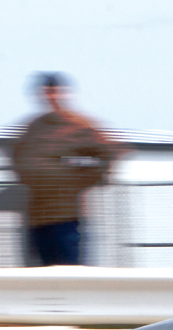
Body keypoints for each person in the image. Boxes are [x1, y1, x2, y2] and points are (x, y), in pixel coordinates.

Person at [10, 72, 122, 266]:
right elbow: (17, 159)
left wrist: (82, 178)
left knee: (72, 274)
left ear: (65, 93)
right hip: (36, 218)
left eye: (55, 91)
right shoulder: (32, 128)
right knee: (42, 276)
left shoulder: (78, 125)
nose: (51, 96)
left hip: (67, 218)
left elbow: (109, 153)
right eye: (46, 92)